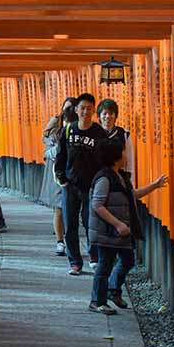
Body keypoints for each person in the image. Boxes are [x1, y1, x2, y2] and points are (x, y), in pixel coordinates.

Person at [87, 140, 168, 314]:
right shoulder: (104, 178)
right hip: (107, 231)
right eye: (123, 152)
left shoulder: (119, 176)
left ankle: (113, 290)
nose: (126, 156)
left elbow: (132, 196)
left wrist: (154, 186)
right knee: (105, 265)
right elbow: (97, 204)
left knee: (127, 260)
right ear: (115, 157)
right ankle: (97, 301)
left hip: (118, 231)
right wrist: (118, 224)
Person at [53, 92, 105, 275]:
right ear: (76, 109)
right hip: (70, 185)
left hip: (91, 186)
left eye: (89, 109)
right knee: (70, 224)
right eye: (82, 108)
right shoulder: (68, 130)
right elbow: (60, 156)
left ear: (93, 111)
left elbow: (104, 159)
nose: (85, 112)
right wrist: (62, 179)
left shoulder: (99, 133)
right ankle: (75, 261)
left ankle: (94, 256)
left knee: (91, 222)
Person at [88, 98, 135, 270]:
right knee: (95, 218)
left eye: (111, 113)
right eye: (104, 113)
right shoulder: (94, 133)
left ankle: (113, 253)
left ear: (116, 116)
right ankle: (95, 253)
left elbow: (128, 158)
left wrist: (130, 180)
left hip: (118, 178)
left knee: (117, 214)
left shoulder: (123, 134)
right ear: (99, 116)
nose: (108, 117)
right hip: (101, 179)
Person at [41, 97, 77, 254]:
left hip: (74, 173)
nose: (68, 111)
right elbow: (46, 143)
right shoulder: (56, 123)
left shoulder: (79, 127)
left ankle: (68, 239)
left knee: (71, 210)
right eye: (66, 107)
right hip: (58, 172)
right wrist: (57, 148)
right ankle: (60, 241)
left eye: (71, 108)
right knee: (58, 208)